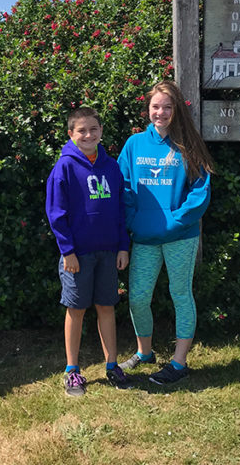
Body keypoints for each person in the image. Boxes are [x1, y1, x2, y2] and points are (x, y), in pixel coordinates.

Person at [117, 80, 213, 385]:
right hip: (144, 236)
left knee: (180, 293)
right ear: (148, 108)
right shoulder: (134, 145)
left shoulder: (189, 143)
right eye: (156, 106)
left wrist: (175, 220)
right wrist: (133, 220)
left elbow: (200, 191)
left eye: (167, 107)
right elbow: (124, 188)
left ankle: (179, 362)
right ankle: (144, 352)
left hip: (180, 236)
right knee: (138, 297)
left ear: (176, 111)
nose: (160, 112)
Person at [45, 106, 134, 396]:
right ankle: (72, 370)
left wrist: (123, 246)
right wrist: (67, 251)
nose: (88, 134)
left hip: (108, 252)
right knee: (77, 309)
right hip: (78, 256)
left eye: (93, 129)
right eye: (81, 130)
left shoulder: (112, 167)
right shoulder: (65, 167)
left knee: (107, 306)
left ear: (101, 132)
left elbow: (120, 210)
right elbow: (56, 213)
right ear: (71, 134)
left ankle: (112, 364)